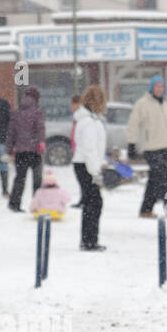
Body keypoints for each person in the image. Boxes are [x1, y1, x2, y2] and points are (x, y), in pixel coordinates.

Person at [126, 75, 167, 218]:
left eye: (162, 86)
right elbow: (132, 125)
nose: (160, 89)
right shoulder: (142, 104)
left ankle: (145, 210)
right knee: (163, 178)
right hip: (150, 148)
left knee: (154, 180)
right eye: (157, 86)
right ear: (151, 88)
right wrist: (131, 143)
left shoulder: (165, 104)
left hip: (163, 146)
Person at [74, 84, 109, 251]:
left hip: (85, 164)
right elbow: (90, 149)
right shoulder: (88, 122)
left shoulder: (89, 119)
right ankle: (89, 240)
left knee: (91, 202)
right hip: (86, 166)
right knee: (94, 203)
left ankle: (88, 239)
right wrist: (95, 172)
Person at [5, 85, 45, 213]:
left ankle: (14, 203)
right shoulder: (37, 111)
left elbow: (11, 133)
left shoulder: (17, 112)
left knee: (20, 178)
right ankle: (37, 205)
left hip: (20, 152)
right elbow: (40, 129)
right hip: (34, 151)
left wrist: (8, 149)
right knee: (37, 179)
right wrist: (41, 142)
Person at [68, 95, 85, 208]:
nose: (70, 107)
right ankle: (83, 199)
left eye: (72, 104)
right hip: (78, 151)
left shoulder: (81, 117)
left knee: (83, 178)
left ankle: (84, 199)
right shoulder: (77, 117)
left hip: (81, 152)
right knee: (82, 178)